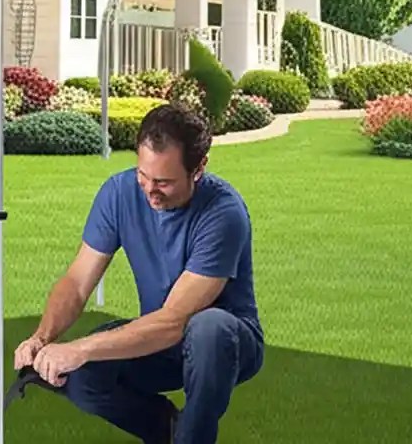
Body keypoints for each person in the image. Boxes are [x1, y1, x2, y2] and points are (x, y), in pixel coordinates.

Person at [13, 102, 264, 443]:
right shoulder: (118, 193)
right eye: (142, 176)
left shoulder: (223, 213)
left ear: (199, 169)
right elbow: (77, 283)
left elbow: (174, 321)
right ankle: (166, 429)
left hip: (226, 345)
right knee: (84, 375)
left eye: (164, 182)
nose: (149, 190)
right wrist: (41, 338)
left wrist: (81, 347)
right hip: (160, 340)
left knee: (208, 326)